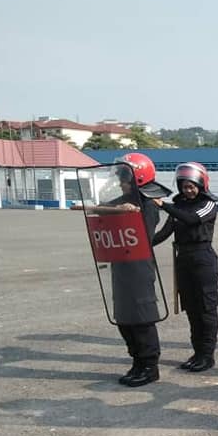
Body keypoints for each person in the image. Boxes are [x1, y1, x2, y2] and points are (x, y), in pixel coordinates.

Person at [74, 153, 170, 387]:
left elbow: (143, 236)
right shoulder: (125, 200)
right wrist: (116, 210)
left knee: (141, 317)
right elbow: (95, 208)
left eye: (124, 178)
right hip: (120, 264)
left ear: (137, 178)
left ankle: (149, 365)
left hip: (138, 266)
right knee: (124, 316)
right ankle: (136, 360)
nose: (120, 182)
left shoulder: (147, 204)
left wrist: (120, 211)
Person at [152, 162, 218, 372]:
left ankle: (207, 355)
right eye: (184, 186)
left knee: (206, 308)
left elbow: (191, 220)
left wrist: (163, 205)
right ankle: (197, 352)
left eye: (192, 186)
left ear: (201, 185)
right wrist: (143, 243)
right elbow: (165, 232)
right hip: (183, 259)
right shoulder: (178, 206)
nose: (188, 190)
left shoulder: (208, 204)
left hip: (203, 258)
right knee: (191, 308)